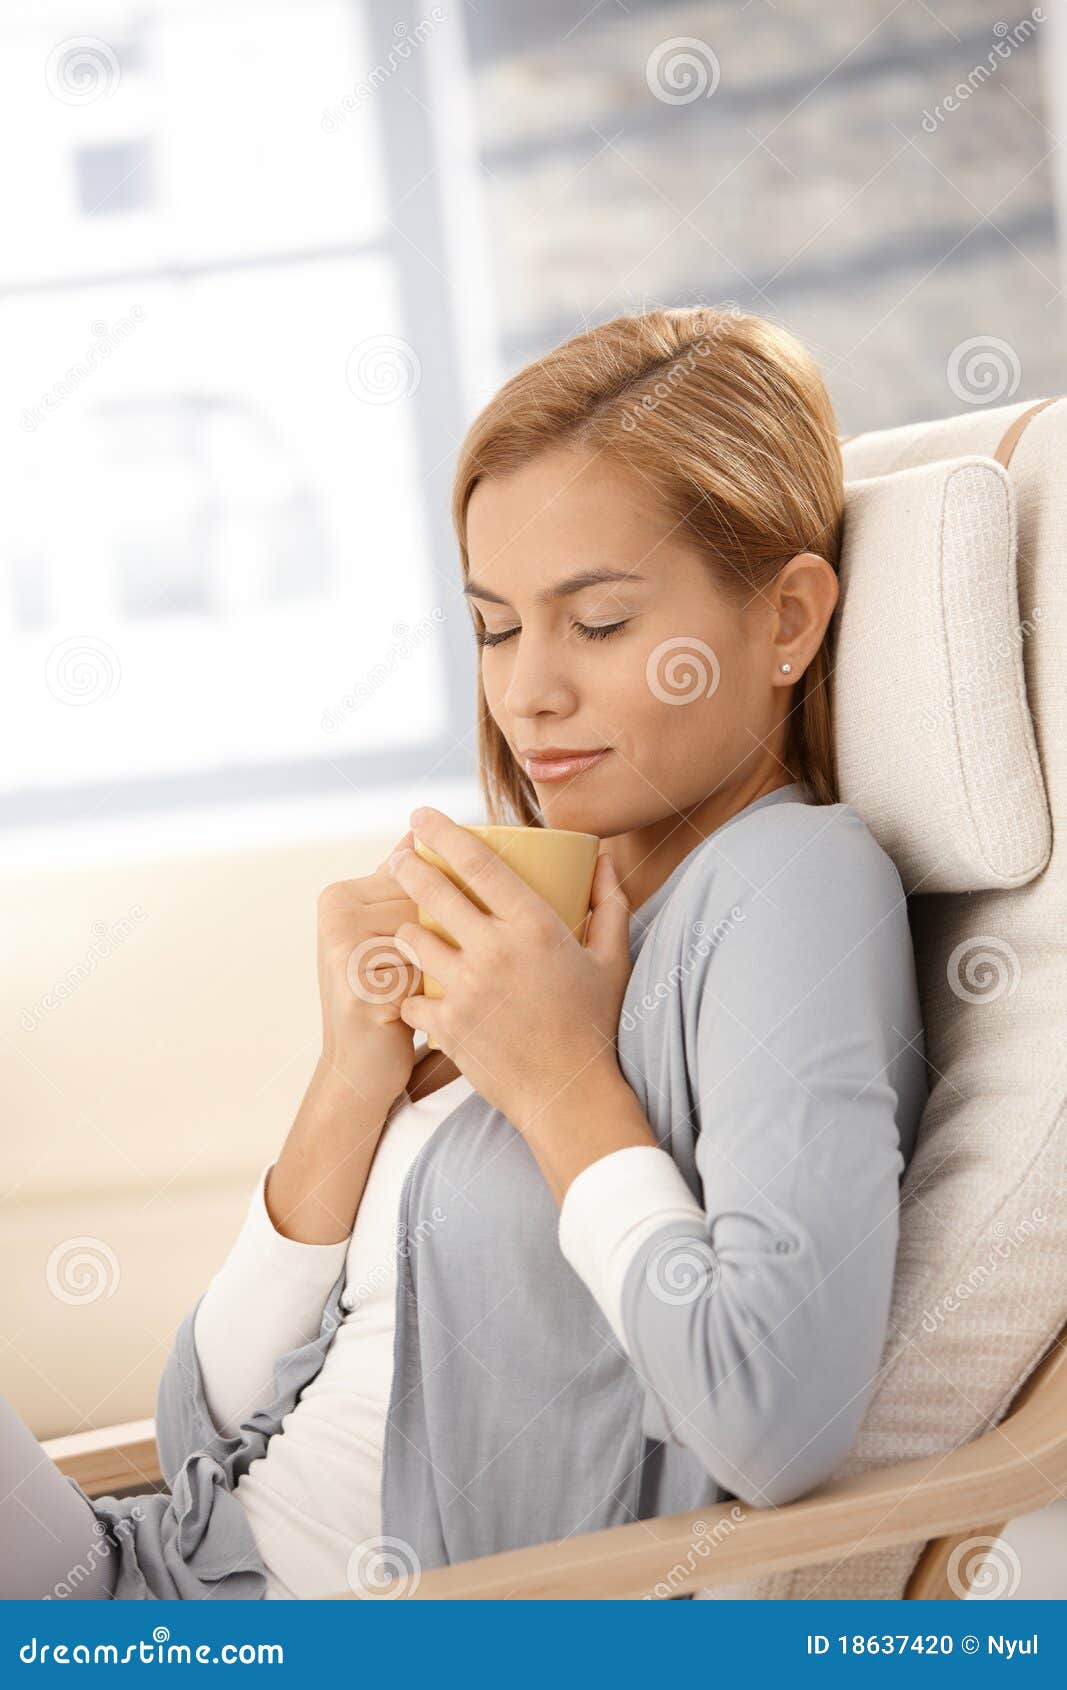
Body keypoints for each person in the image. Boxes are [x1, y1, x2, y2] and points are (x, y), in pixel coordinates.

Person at [1, 306, 927, 1599]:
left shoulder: (789, 886)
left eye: (597, 624)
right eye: (496, 628)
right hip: (147, 1585)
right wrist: (354, 1079)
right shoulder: (537, 924)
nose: (527, 692)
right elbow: (195, 1447)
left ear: (787, 620)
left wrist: (558, 1079)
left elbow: (769, 1413)